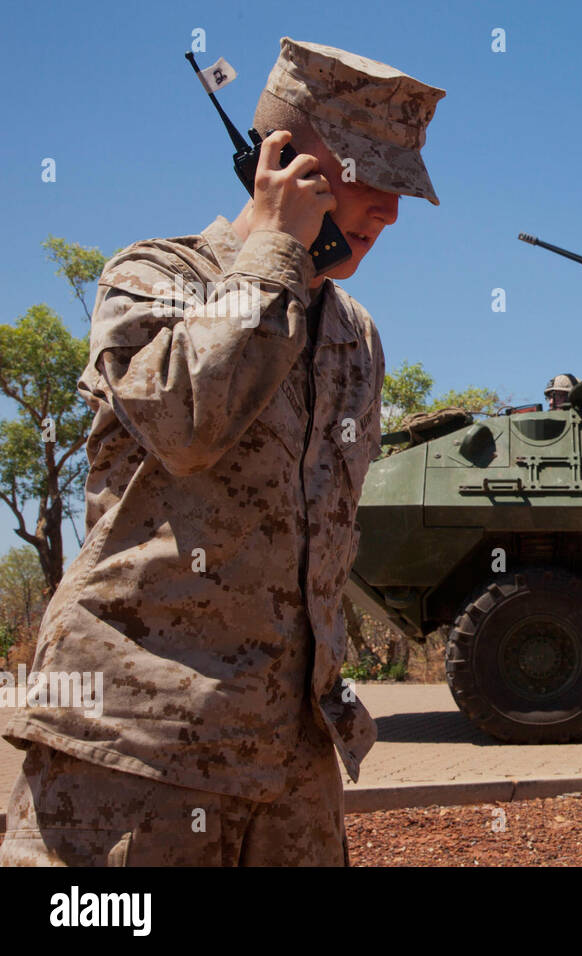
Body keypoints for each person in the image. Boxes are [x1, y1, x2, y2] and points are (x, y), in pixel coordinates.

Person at [0, 38, 445, 866]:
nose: (388, 212)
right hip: (134, 754)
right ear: (283, 163)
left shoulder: (354, 336)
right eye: (370, 179)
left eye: (402, 190)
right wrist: (275, 251)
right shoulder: (152, 277)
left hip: (293, 768)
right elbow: (186, 427)